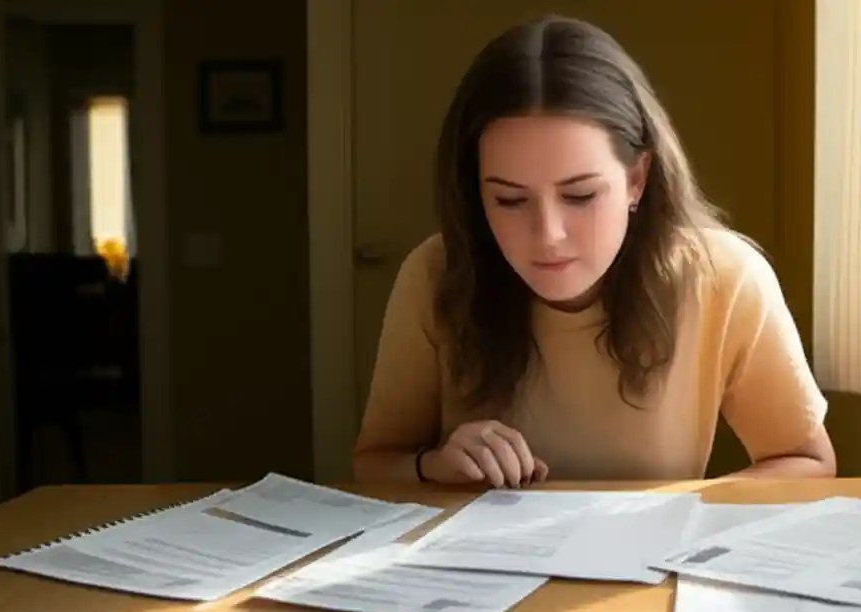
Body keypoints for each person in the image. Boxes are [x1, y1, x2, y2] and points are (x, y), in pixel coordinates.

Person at [353, 15, 835, 489]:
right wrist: (433, 464)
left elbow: (806, 459)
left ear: (637, 179)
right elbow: (374, 463)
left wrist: (679, 507)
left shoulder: (723, 277)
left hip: (650, 561)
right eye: (510, 199)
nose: (548, 235)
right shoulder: (436, 274)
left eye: (580, 196)